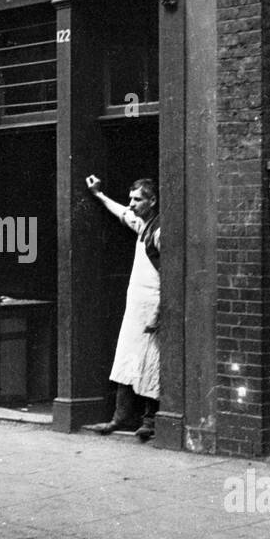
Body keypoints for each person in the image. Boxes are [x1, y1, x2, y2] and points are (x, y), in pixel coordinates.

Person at [85, 174, 161, 440]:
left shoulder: (158, 231)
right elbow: (121, 213)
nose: (131, 204)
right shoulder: (144, 226)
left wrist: (160, 313)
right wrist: (99, 194)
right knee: (127, 357)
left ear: (153, 201)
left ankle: (149, 421)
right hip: (136, 306)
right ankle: (120, 417)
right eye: (131, 198)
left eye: (138, 199)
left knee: (152, 361)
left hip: (152, 307)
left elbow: (170, 275)